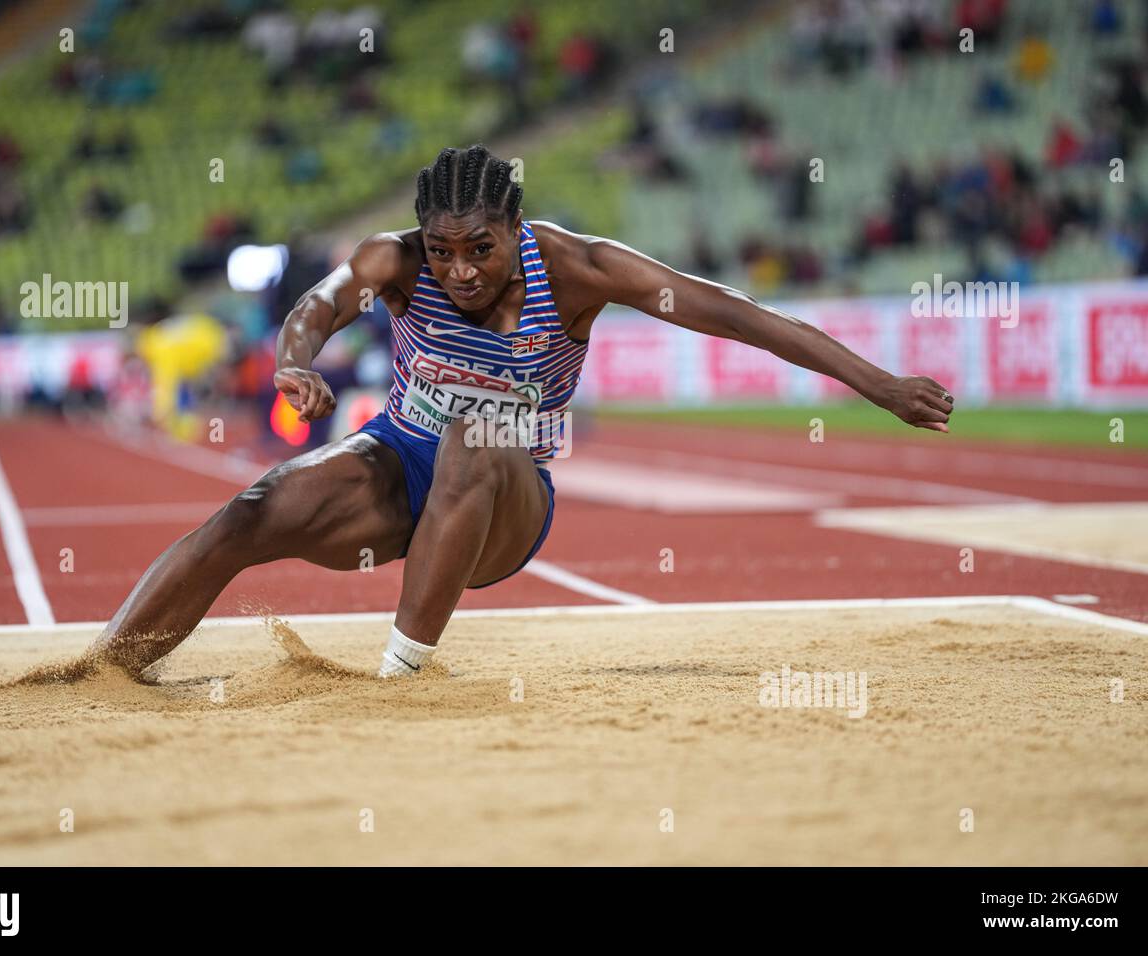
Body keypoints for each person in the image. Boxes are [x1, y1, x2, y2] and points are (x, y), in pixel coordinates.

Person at [89, 144, 953, 679]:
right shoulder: (395, 261)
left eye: (480, 250)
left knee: (475, 430)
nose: (459, 271)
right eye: (443, 252)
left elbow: (739, 314)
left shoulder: (580, 269)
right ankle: (107, 668)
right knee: (250, 511)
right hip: (396, 460)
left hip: (507, 491)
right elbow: (318, 305)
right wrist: (292, 363)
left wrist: (878, 385)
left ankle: (398, 678)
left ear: (516, 227)